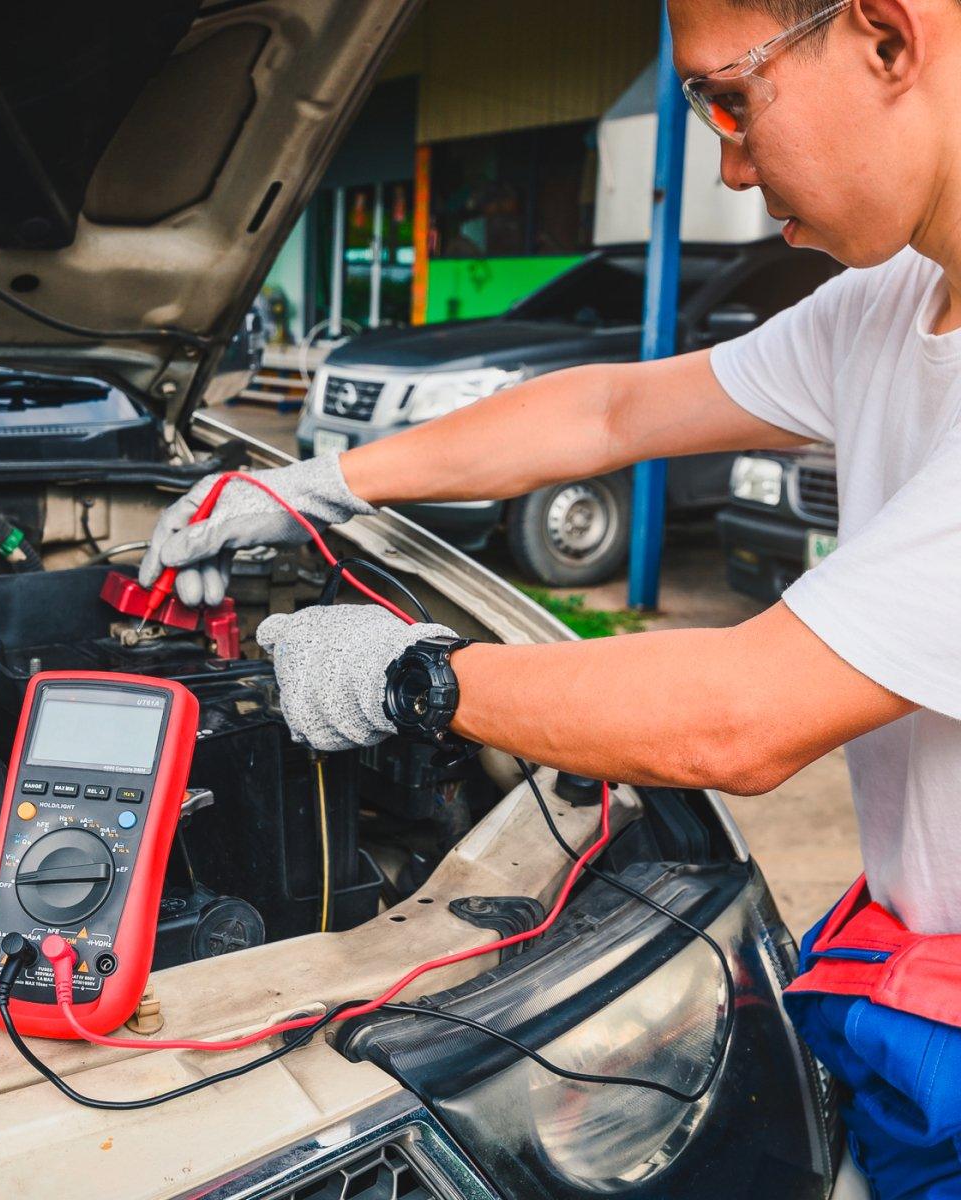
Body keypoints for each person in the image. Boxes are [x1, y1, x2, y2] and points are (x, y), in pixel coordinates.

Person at [142, 1, 961, 1192]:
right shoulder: (889, 305)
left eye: (731, 98)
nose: (728, 162)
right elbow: (608, 412)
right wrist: (317, 486)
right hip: (909, 972)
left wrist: (413, 678)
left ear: (886, 37)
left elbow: (741, 717)